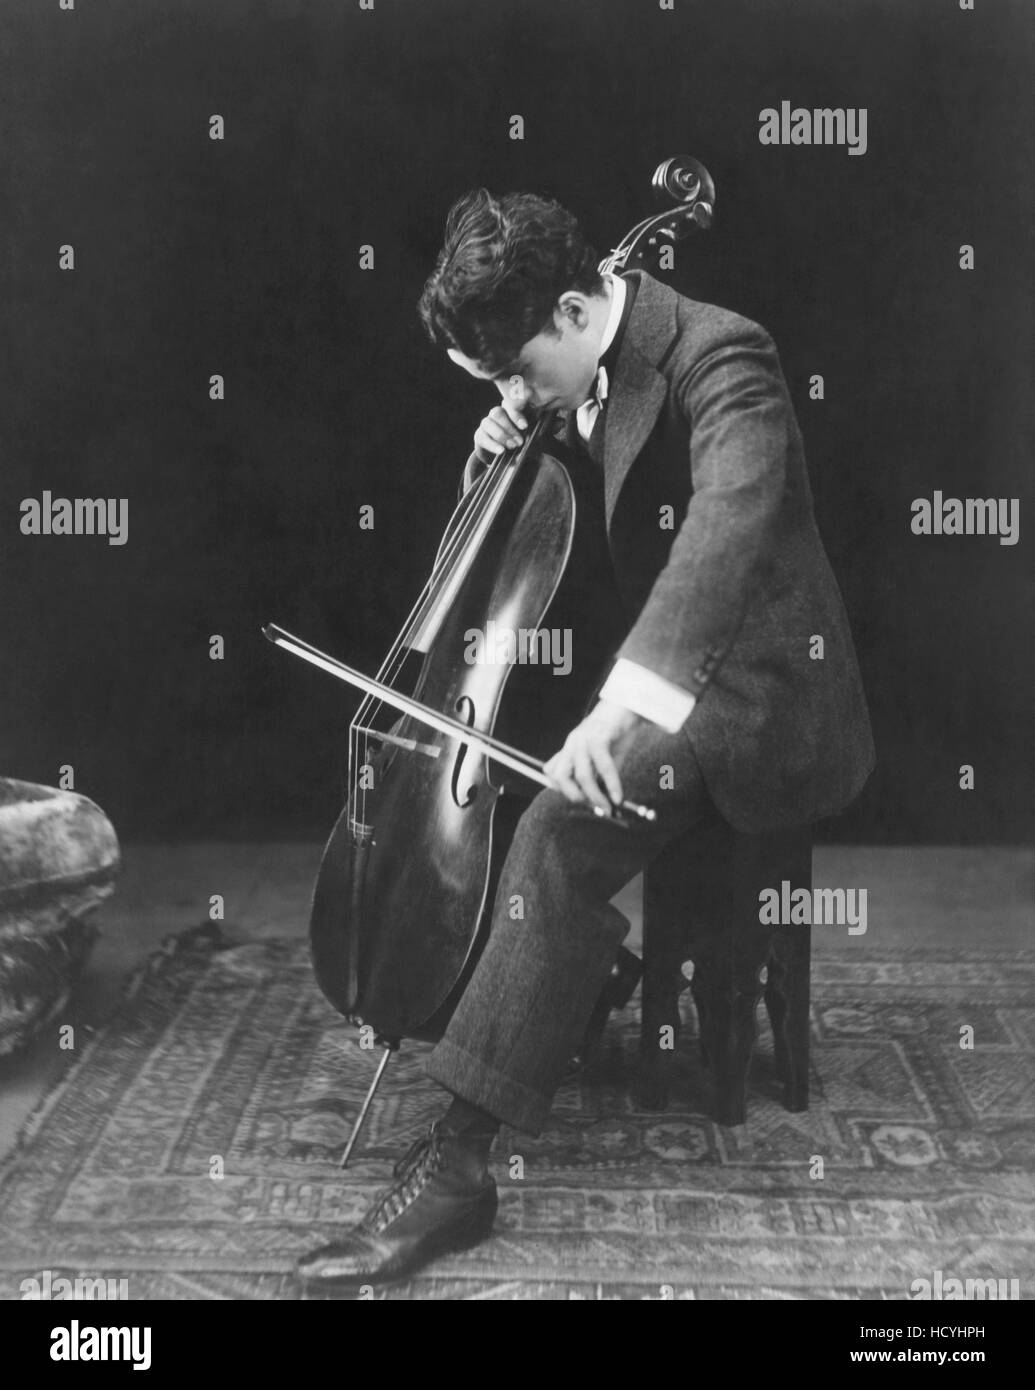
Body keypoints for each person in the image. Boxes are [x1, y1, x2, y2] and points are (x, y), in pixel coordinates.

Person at [296, 188, 875, 1291]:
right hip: (665, 682)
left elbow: (727, 532)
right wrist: (491, 456)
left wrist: (623, 708)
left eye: (520, 373)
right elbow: (504, 554)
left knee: (560, 830)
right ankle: (579, 977)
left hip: (761, 698)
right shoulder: (565, 371)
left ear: (573, 309)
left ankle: (457, 1169)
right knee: (512, 800)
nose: (522, 397)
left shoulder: (723, 356)